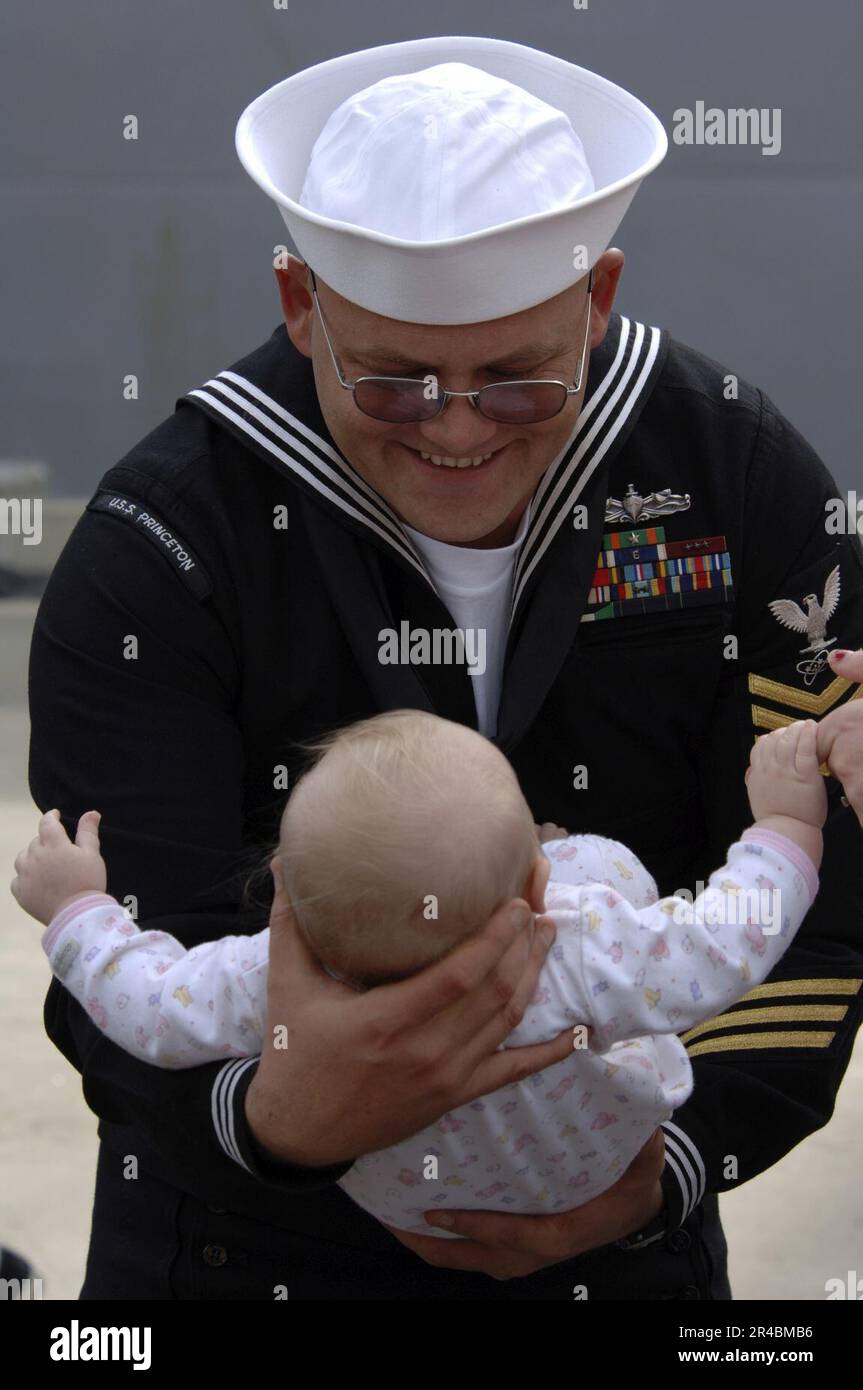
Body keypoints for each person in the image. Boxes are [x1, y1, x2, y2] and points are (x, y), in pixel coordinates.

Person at [25, 37, 863, 1300]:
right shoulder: (165, 541)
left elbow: (822, 880)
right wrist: (284, 1118)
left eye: (517, 381)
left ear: (596, 299)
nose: (458, 427)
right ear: (301, 301)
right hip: (239, 1254)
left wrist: (671, 1165)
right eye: (394, 380)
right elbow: (141, 967)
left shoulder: (735, 479)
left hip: (628, 1243)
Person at [15, 711, 824, 1234]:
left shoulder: (272, 974)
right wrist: (785, 822)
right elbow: (730, 937)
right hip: (597, 1166)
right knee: (605, 866)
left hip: (411, 1207)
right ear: (537, 893)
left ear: (287, 889)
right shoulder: (580, 946)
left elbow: (150, 1008)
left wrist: (78, 911)